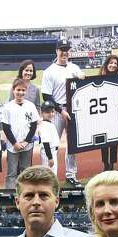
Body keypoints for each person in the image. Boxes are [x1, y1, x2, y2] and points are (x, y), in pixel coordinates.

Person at [41, 39, 84, 187]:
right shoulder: (49, 71)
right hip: (57, 111)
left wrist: (82, 78)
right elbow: (46, 95)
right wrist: (61, 110)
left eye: (66, 49)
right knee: (52, 144)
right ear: (56, 51)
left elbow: (83, 85)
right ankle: (49, 176)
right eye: (61, 49)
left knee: (72, 144)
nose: (64, 52)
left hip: (74, 109)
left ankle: (71, 175)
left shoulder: (75, 68)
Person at [1, 78, 40, 190]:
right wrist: (15, 143)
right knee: (12, 172)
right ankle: (9, 195)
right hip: (12, 145)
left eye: (23, 90)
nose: (20, 92)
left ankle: (25, 192)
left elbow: (33, 125)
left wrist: (27, 141)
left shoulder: (30, 105)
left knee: (26, 171)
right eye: (18, 90)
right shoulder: (7, 107)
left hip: (27, 144)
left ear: (26, 91)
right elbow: (6, 127)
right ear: (13, 90)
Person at [97, 54, 118, 172]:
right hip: (102, 113)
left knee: (113, 139)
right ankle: (105, 164)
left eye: (115, 64)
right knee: (103, 139)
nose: (113, 65)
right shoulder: (100, 76)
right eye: (111, 63)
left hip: (115, 112)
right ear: (107, 63)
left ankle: (112, 163)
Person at [36, 102, 60, 173]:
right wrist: (50, 158)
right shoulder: (45, 125)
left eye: (52, 111)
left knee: (50, 174)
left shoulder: (48, 123)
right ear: (42, 113)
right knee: (49, 174)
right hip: (48, 153)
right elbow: (46, 143)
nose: (50, 114)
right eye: (47, 112)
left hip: (51, 152)